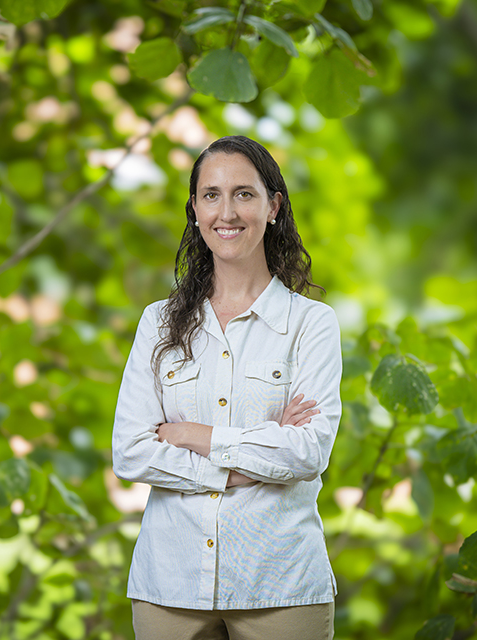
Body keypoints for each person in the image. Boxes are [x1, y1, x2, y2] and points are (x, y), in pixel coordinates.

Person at [112, 135, 342, 640]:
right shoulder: (159, 323)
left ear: (273, 206)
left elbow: (307, 451)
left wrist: (194, 434)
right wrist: (242, 465)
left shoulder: (311, 325)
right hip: (168, 586)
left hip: (280, 584)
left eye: (244, 193)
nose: (227, 211)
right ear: (194, 209)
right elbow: (130, 452)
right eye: (211, 195)